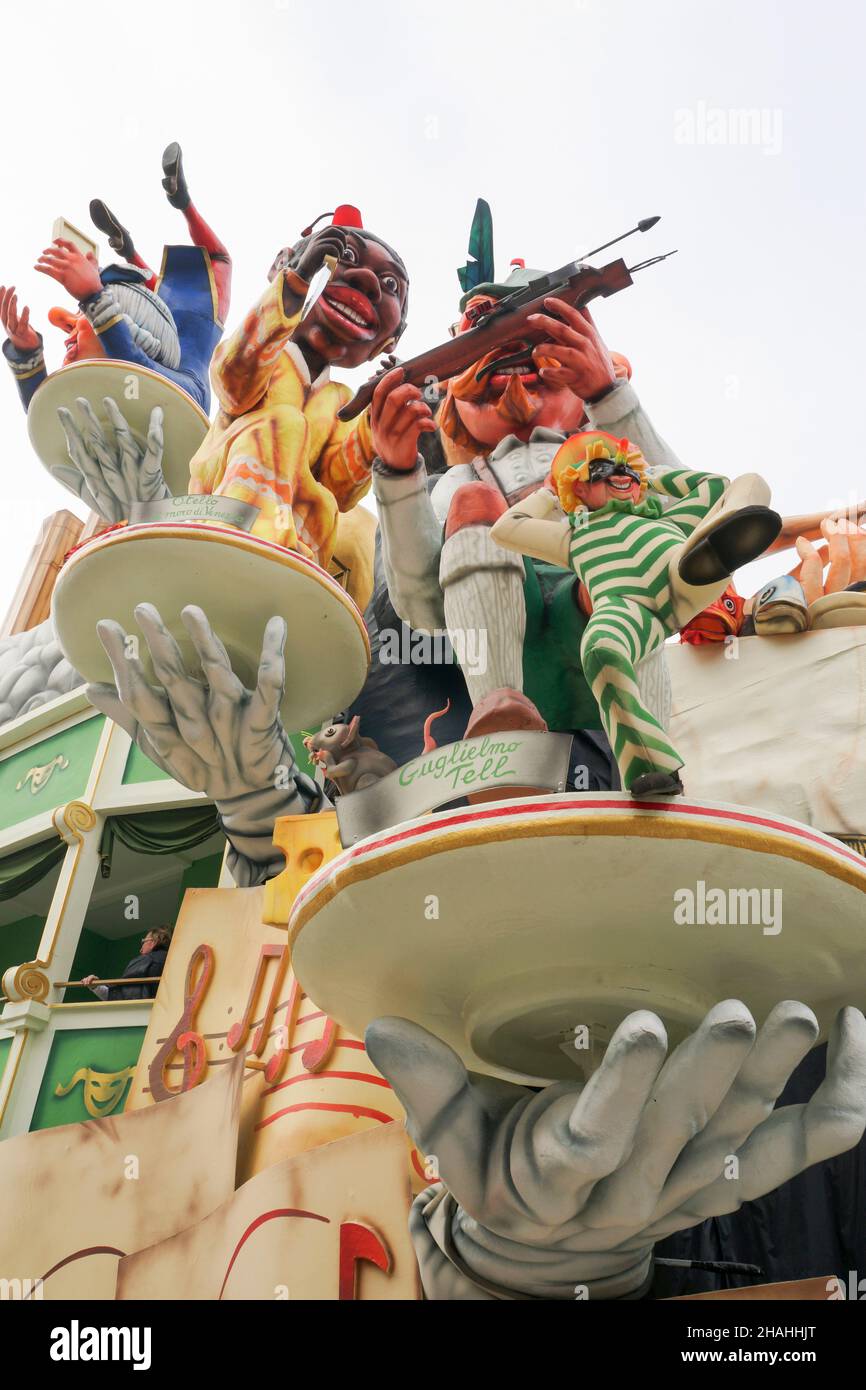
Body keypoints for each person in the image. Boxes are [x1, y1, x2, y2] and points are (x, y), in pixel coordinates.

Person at [490, 430, 779, 794]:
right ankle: (649, 766)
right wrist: (549, 495)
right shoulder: (572, 537)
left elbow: (715, 485)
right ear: (577, 487)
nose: (620, 474)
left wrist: (654, 475)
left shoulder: (666, 520)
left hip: (680, 576)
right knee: (600, 651)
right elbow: (505, 529)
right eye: (602, 468)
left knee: (748, 484)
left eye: (627, 467)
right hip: (628, 608)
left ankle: (722, 543)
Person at [187, 205, 410, 565]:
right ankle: (242, 547)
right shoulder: (264, 351)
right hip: (219, 500)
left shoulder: (343, 401)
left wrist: (377, 419)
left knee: (353, 527)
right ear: (283, 264)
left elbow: (339, 488)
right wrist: (296, 284)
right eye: (347, 256)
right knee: (282, 426)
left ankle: (309, 587)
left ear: (389, 343)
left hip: (296, 530)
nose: (366, 281)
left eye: (389, 286)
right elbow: (233, 380)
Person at [82, 927, 172, 1001]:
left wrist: (96, 985)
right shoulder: (172, 962)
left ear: (152, 943)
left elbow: (117, 996)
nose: (140, 950)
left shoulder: (148, 960)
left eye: (143, 942)